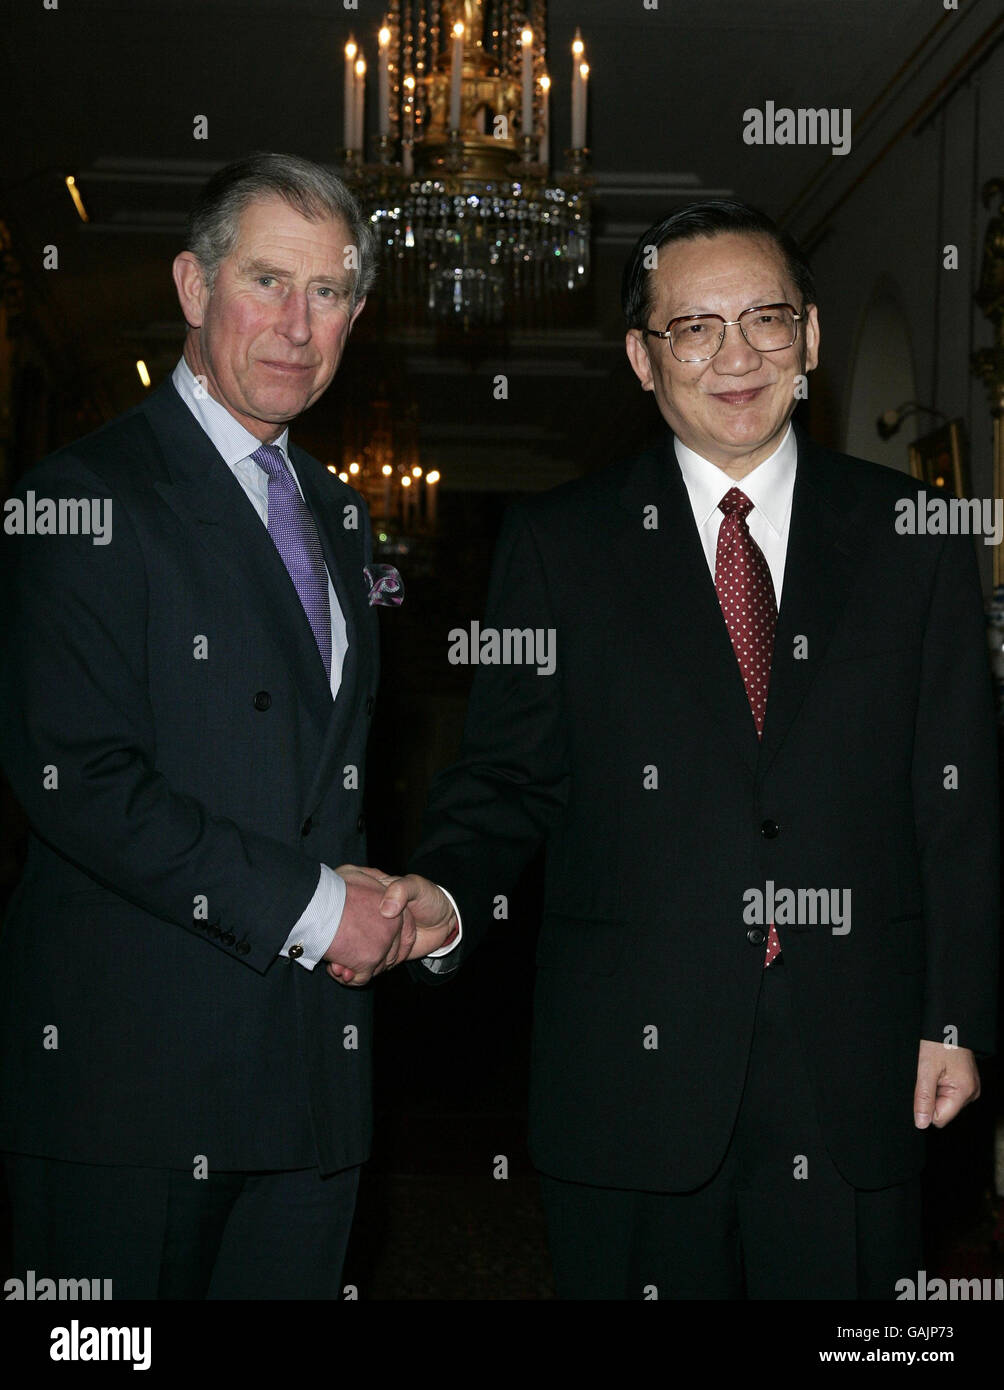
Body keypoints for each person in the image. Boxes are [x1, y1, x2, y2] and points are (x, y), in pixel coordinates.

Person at [373, 200, 1000, 1299]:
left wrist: (954, 1014)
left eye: (765, 320)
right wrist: (445, 888)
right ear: (639, 355)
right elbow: (509, 776)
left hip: (859, 1059)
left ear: (809, 340)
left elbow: (956, 804)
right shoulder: (560, 545)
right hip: (630, 1066)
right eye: (693, 328)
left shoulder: (914, 537)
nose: (735, 355)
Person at [0, 152, 456, 1300]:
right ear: (193, 289)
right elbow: (78, 778)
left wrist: (387, 904)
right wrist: (318, 909)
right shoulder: (83, 494)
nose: (299, 326)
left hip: (310, 1082)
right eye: (268, 281)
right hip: (131, 1083)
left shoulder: (344, 514)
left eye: (331, 293)